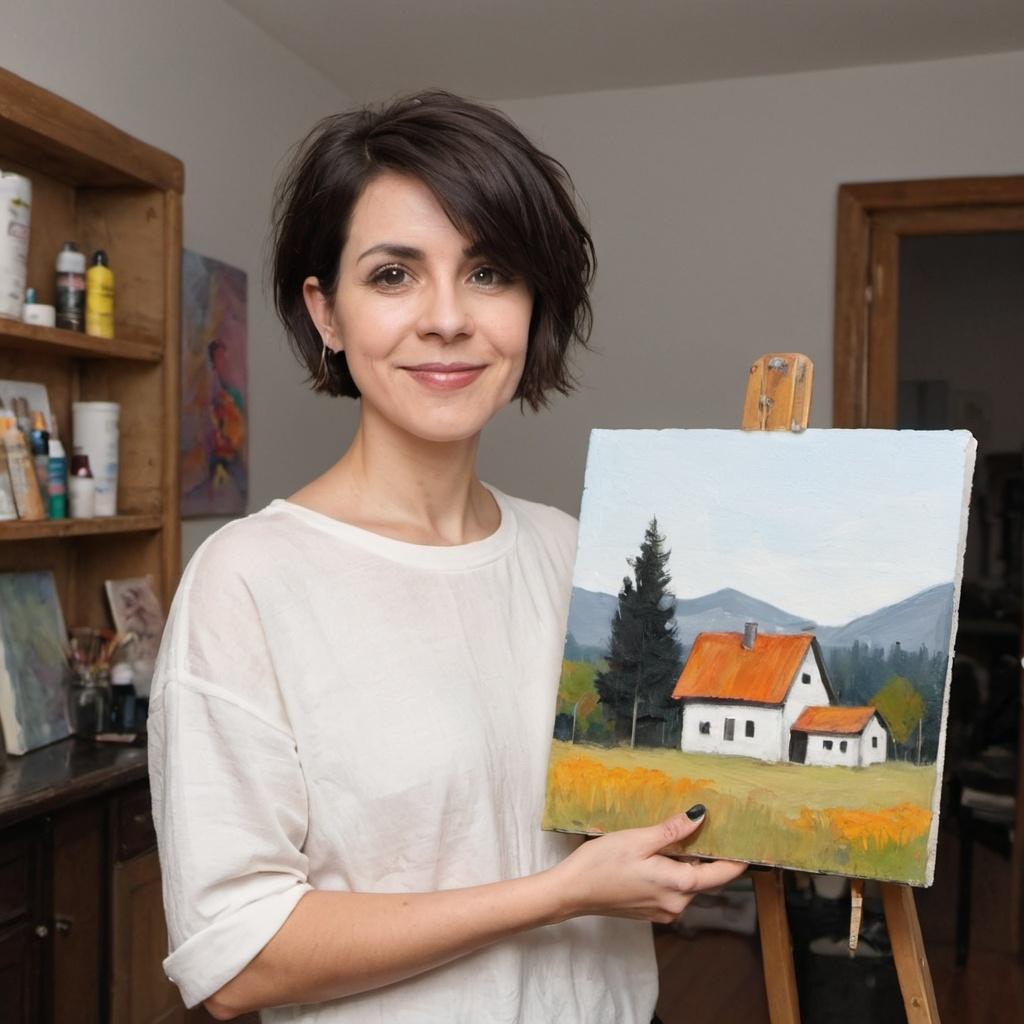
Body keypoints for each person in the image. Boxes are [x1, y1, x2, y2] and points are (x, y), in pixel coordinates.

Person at [148, 90, 747, 1023]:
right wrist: (560, 893)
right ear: (327, 313)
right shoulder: (249, 579)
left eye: (489, 272)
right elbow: (236, 962)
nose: (446, 318)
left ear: (531, 303)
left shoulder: (573, 554)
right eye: (393, 275)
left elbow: (625, 823)